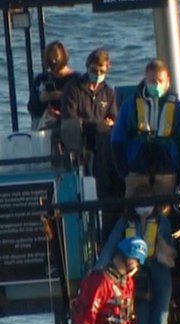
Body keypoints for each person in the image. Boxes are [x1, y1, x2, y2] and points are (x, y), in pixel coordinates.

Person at [96, 187, 176, 324]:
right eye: (140, 202)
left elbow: (170, 249)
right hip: (136, 277)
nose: (144, 207)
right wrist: (96, 272)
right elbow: (110, 246)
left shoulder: (162, 222)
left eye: (148, 201)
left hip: (160, 275)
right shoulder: (125, 223)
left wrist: (162, 246)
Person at [111, 59, 180, 198]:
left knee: (164, 209)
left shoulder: (178, 109)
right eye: (151, 81)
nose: (156, 85)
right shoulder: (130, 105)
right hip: (136, 168)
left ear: (167, 80)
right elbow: (117, 139)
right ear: (145, 80)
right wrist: (124, 172)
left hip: (166, 168)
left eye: (159, 81)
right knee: (133, 210)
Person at [61, 49, 120, 214]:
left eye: (102, 71)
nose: (98, 74)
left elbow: (114, 117)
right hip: (79, 139)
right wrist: (96, 125)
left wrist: (107, 123)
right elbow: (70, 118)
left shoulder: (108, 91)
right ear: (87, 67)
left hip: (101, 141)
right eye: (94, 70)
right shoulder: (73, 88)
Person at [27, 41, 78, 130]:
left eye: (56, 60)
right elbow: (32, 108)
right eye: (50, 61)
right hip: (44, 122)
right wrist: (42, 99)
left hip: (68, 123)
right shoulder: (41, 79)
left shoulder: (76, 79)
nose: (53, 63)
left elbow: (83, 106)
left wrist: (62, 96)